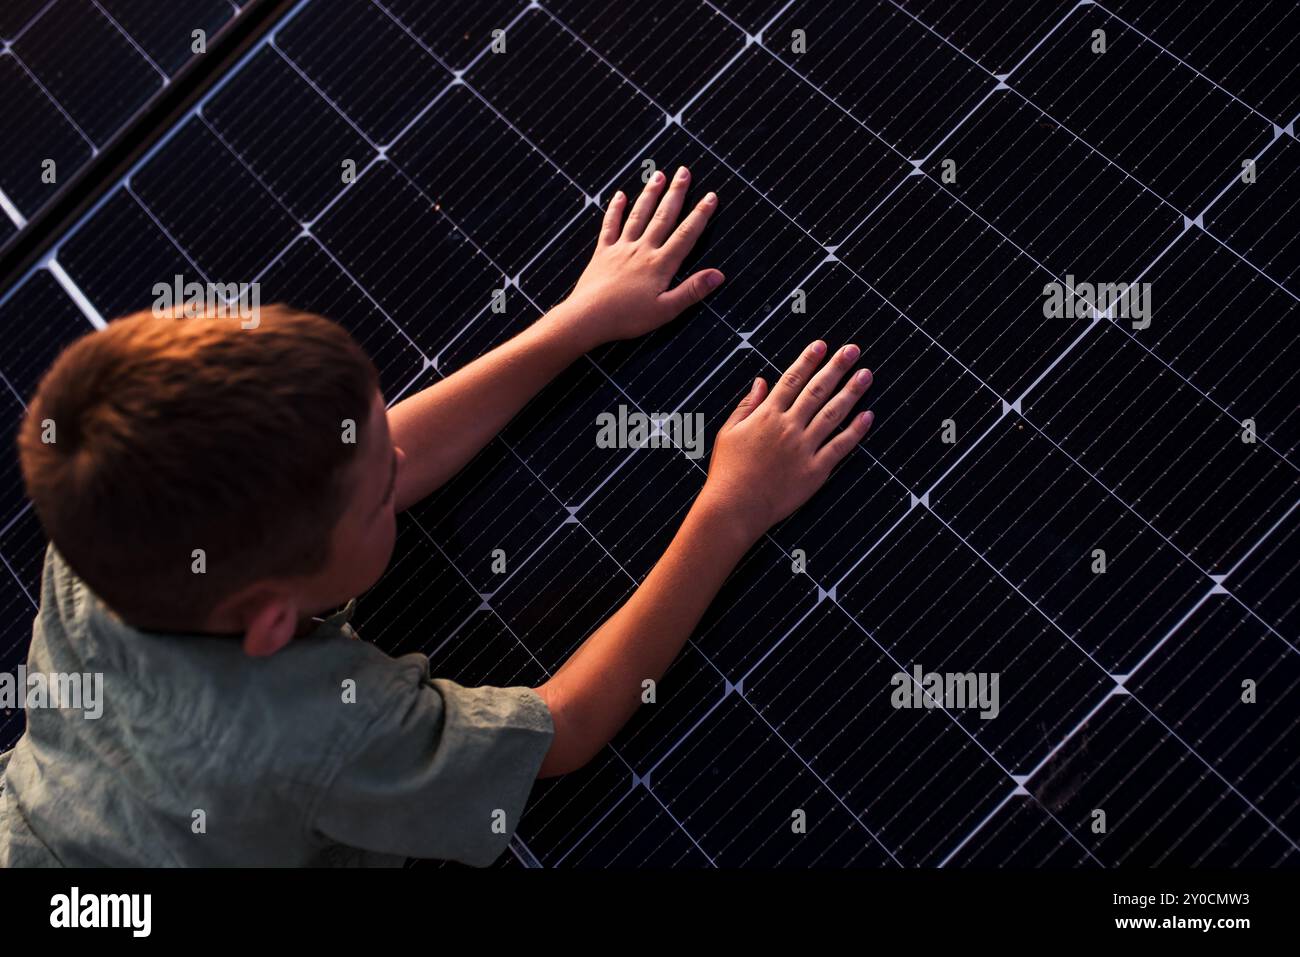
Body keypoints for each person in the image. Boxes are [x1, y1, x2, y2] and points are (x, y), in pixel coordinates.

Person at [0, 166, 874, 866]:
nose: (403, 465)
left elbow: (359, 462)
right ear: (270, 620)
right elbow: (559, 732)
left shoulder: (102, 522)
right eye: (382, 493)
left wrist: (574, 323)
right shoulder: (331, 734)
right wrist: (731, 505)